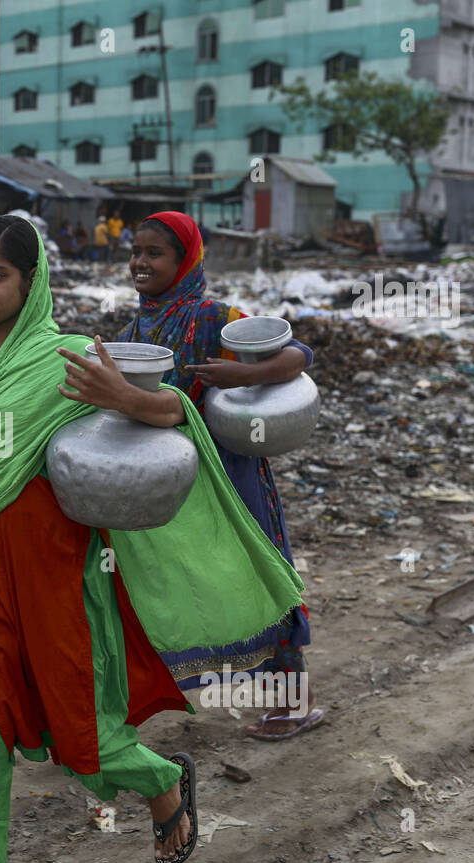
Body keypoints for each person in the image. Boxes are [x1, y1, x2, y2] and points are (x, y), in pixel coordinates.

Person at [0, 215, 306, 863]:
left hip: (60, 586)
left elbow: (175, 415)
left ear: (31, 281)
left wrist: (123, 398)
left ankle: (162, 782)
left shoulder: (66, 358)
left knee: (84, 742)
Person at [118, 211, 322, 741]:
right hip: (172, 474)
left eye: (154, 253)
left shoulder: (217, 318)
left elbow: (300, 354)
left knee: (256, 572)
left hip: (231, 471)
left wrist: (245, 373)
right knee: (169, 579)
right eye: (135, 251)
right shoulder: (137, 327)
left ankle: (292, 701)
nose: (140, 262)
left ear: (185, 260)